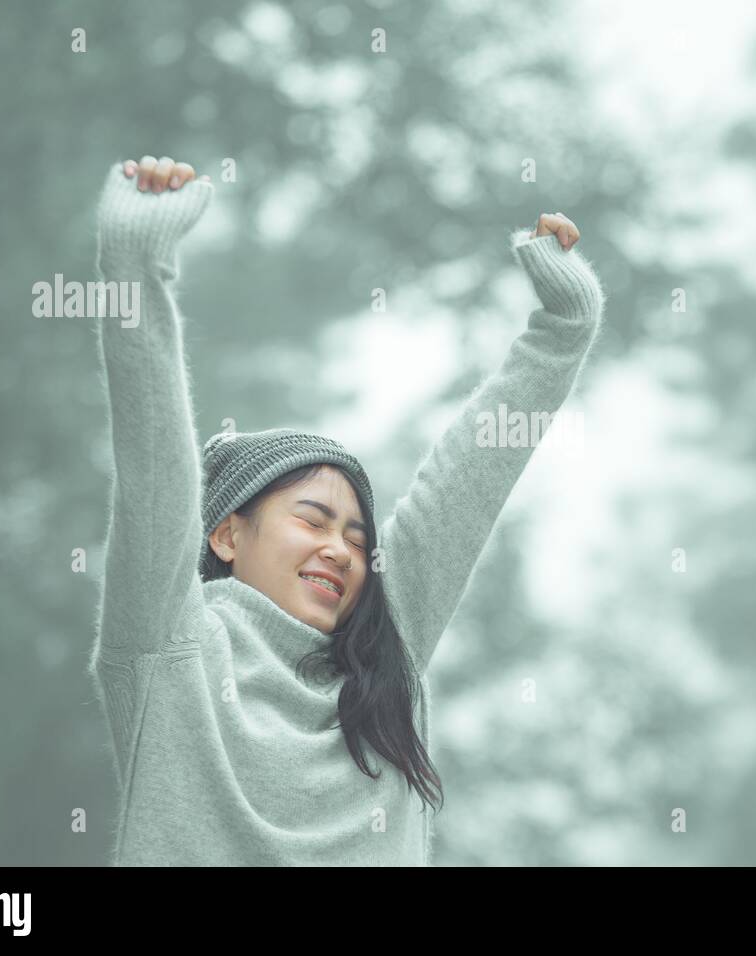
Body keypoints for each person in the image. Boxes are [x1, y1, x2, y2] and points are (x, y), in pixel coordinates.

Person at [87, 155, 606, 865]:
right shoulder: (170, 652)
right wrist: (134, 270)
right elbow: (153, 475)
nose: (341, 548)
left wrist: (560, 333)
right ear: (228, 532)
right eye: (313, 519)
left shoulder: (386, 662)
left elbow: (464, 484)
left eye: (358, 536)